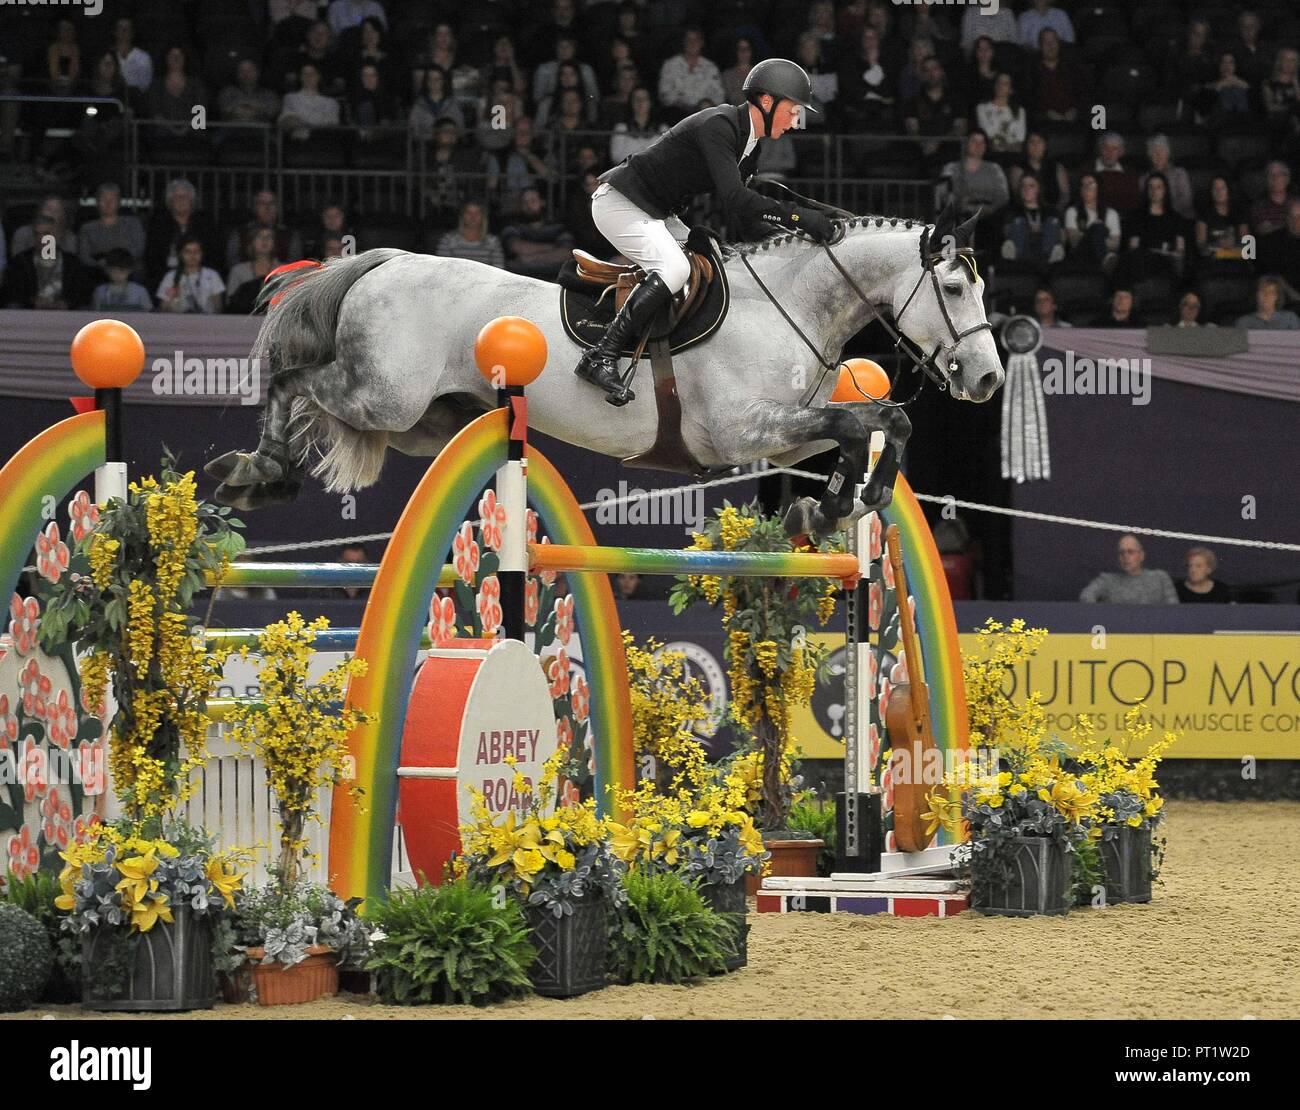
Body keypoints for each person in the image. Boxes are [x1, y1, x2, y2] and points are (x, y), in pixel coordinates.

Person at [574, 58, 832, 405]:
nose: (796, 120)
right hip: (620, 203)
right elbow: (736, 197)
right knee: (675, 269)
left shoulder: (750, 143)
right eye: (792, 110)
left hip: (657, 213)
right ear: (767, 101)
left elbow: (747, 214)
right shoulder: (720, 124)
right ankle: (601, 355)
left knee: (724, 264)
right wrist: (799, 219)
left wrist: (805, 227)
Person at [0, 213, 95, 309]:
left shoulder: (72, 263)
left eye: (46, 234)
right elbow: (10, 291)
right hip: (29, 314)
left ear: (57, 235)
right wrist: (32, 301)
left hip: (66, 315)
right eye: (37, 234)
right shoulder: (20, 261)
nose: (41, 239)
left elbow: (83, 293)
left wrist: (66, 303)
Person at [500, 188, 575, 280]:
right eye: (524, 202)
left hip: (553, 280)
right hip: (521, 280)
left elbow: (566, 253)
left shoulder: (558, 228)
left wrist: (529, 258)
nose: (528, 206)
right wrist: (553, 248)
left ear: (542, 202)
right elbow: (517, 247)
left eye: (533, 201)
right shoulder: (513, 227)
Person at [1079, 535, 1178, 604]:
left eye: (1130, 552)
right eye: (1122, 552)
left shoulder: (1160, 578)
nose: (1125, 556)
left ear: (1141, 555)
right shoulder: (1107, 580)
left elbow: (1174, 610)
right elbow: (1085, 597)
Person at [657, 28, 726, 123]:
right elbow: (664, 94)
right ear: (683, 42)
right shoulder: (670, 65)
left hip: (704, 115)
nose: (692, 43)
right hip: (677, 114)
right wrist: (683, 104)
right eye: (689, 40)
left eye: (696, 40)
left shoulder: (710, 67)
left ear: (701, 43)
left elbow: (719, 96)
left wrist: (706, 104)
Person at [156, 236, 225, 314]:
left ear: (202, 253)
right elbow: (164, 306)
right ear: (180, 254)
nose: (192, 255)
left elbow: (218, 307)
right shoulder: (170, 277)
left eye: (196, 251)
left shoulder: (212, 275)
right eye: (187, 252)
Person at [435, 200, 504, 268]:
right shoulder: (448, 240)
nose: (473, 217)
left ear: (483, 217)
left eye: (477, 213)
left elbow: (499, 269)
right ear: (462, 216)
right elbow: (441, 270)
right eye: (468, 212)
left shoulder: (493, 242)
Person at [91, 247, 152, 312]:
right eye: (113, 270)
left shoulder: (140, 291)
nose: (117, 274)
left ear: (129, 270)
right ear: (107, 270)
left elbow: (148, 313)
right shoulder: (100, 291)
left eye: (122, 271)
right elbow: (95, 314)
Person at [1235, 275, 1300, 329]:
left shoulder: (1290, 319)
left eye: (1271, 292)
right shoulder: (1243, 322)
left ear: (1277, 296)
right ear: (1256, 295)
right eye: (1263, 291)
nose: (1266, 296)